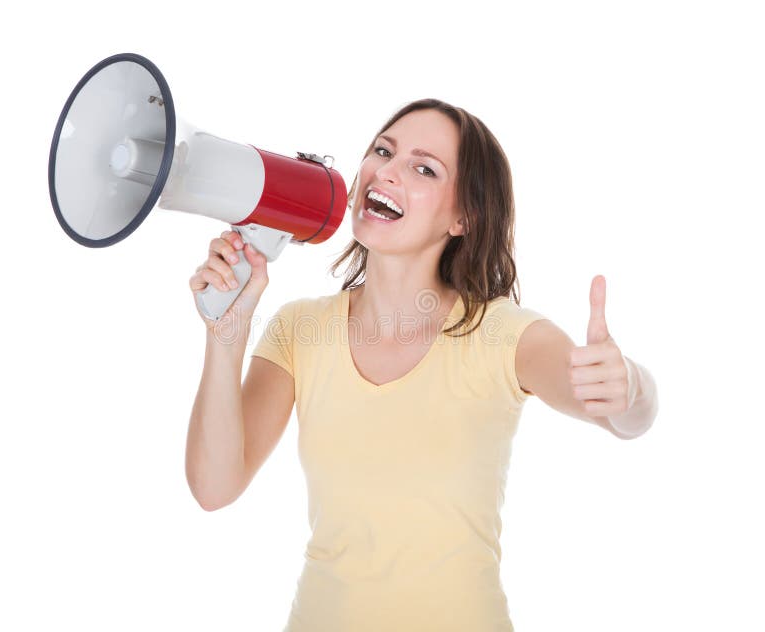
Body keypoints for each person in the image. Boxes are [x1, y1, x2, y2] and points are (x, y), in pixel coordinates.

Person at [185, 98, 659, 631]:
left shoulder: (501, 333)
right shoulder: (301, 330)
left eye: (423, 167)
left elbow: (623, 416)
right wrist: (226, 335)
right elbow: (213, 487)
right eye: (382, 151)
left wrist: (631, 387)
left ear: (464, 217)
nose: (386, 171)